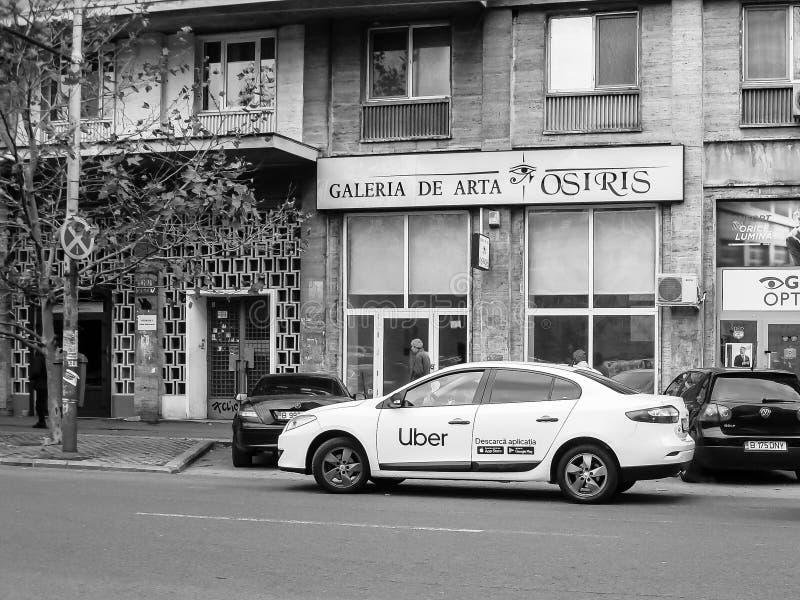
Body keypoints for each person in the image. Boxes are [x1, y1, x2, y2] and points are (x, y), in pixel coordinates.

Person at [28, 349, 48, 428]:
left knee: (40, 404)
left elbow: (36, 371)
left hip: (41, 384)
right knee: (43, 402)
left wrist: (31, 377)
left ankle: (41, 422)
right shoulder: (47, 358)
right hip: (48, 383)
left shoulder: (39, 358)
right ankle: (42, 421)